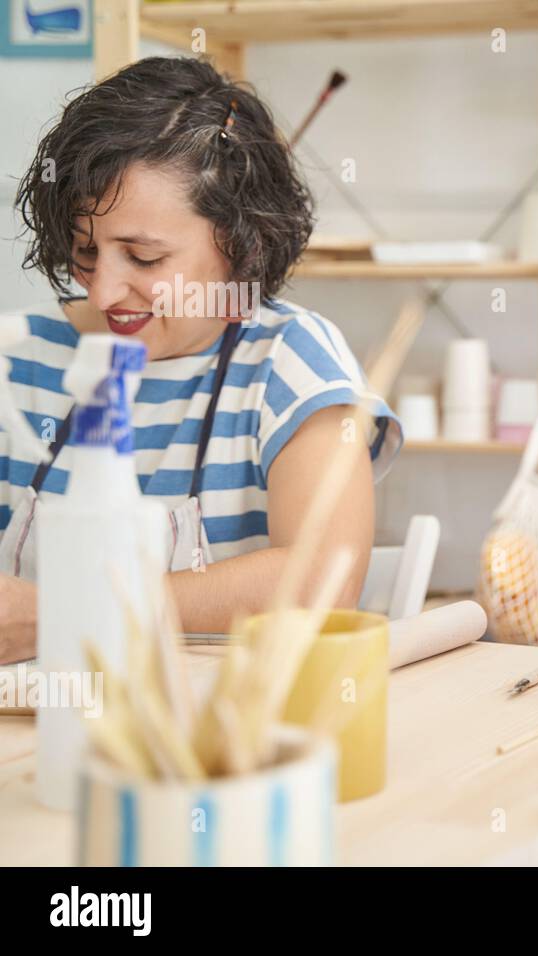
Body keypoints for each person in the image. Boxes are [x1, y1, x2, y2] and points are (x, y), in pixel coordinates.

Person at [0, 56, 403, 663]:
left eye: (143, 258)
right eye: (86, 250)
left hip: (211, 738)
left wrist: (72, 611)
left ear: (241, 246)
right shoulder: (21, 355)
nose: (103, 291)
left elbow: (323, 580)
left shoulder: (289, 363)